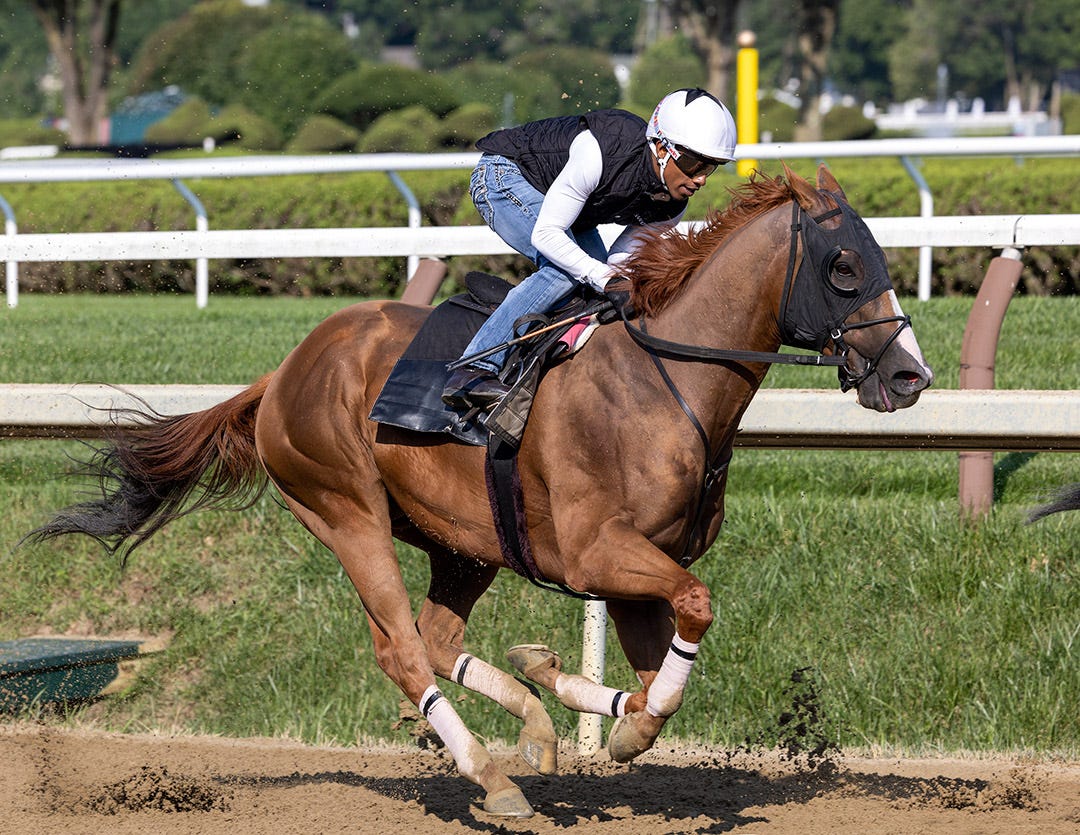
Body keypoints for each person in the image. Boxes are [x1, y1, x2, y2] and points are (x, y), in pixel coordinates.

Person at [442, 87, 738, 411]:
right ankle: (472, 370)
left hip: (566, 210)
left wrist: (622, 282)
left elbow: (618, 263)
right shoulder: (603, 148)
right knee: (566, 273)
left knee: (596, 284)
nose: (700, 179)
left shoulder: (672, 205)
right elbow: (547, 234)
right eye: (694, 163)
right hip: (503, 175)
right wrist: (601, 276)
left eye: (710, 167)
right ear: (661, 148)